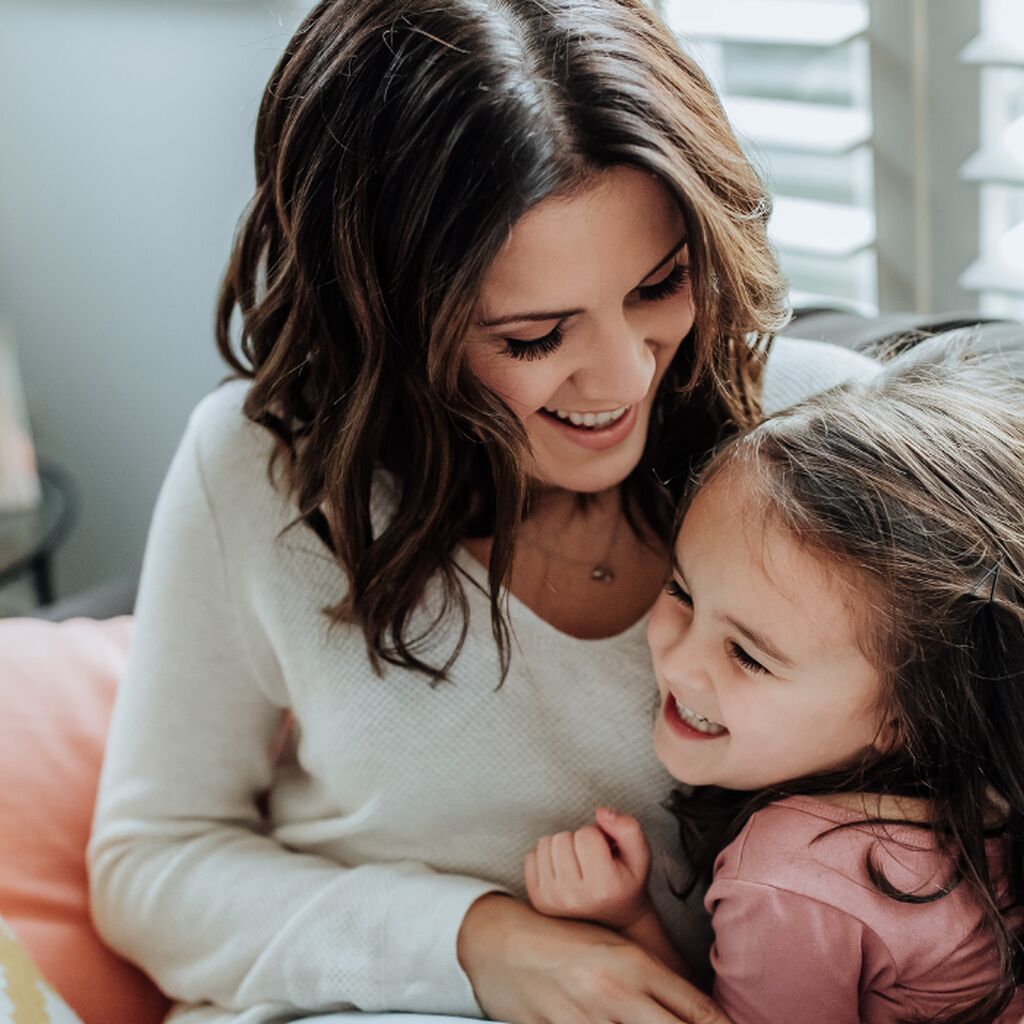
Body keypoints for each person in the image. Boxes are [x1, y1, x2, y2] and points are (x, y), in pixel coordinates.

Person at [87, 1, 878, 1022]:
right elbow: (151, 864)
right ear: (385, 312)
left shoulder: (828, 434)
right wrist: (473, 941)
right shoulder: (259, 473)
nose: (625, 372)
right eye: (536, 335)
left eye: (659, 284)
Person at [524, 344, 1024, 1023]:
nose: (678, 663)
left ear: (907, 713)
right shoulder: (991, 801)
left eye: (749, 656)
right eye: (681, 592)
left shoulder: (791, 874)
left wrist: (628, 922)